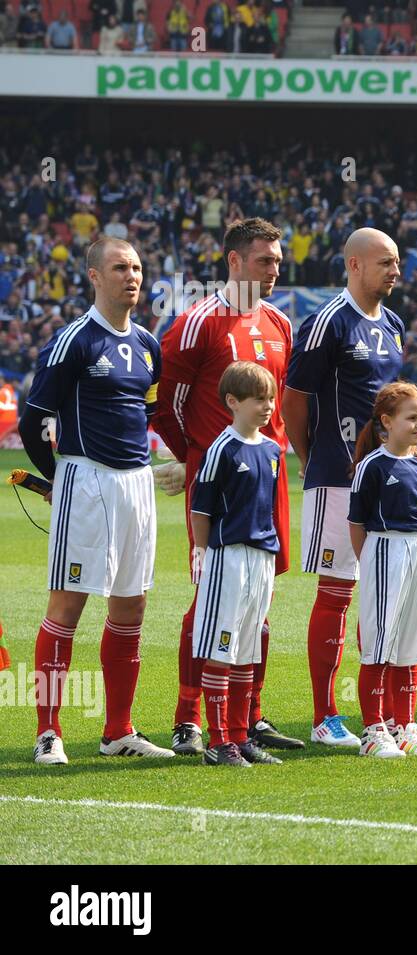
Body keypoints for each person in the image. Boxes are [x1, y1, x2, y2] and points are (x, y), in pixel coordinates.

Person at [22, 238, 173, 765]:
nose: (131, 277)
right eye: (119, 267)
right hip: (86, 481)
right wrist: (60, 478)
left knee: (131, 605)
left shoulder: (150, 346)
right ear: (93, 275)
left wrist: (160, 468)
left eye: (136, 267)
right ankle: (48, 732)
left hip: (136, 485)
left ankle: (118, 732)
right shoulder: (74, 342)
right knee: (68, 605)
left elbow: (147, 414)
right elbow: (31, 419)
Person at [154, 217, 300, 756]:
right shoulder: (199, 323)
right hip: (218, 483)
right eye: (265, 260)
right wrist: (194, 459)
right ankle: (189, 719)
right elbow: (167, 406)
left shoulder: (280, 323)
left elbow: (280, 404)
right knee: (210, 601)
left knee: (258, 600)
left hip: (269, 479)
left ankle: (249, 717)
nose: (274, 269)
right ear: (234, 261)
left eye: (278, 261)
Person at [282, 228, 405, 747]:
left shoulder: (395, 324)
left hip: (387, 477)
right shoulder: (327, 322)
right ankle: (324, 715)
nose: (395, 270)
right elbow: (294, 403)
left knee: (385, 591)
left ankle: (385, 713)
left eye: (397, 261)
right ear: (354, 265)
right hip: (337, 477)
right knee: (336, 593)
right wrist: (316, 460)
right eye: (385, 262)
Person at [190, 362, 284, 767]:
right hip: (228, 556)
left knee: (247, 649)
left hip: (262, 556)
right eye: (258, 399)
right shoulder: (221, 450)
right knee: (222, 647)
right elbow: (201, 508)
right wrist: (203, 552)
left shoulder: (272, 450)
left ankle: (241, 736)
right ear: (233, 402)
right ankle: (217, 740)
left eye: (271, 398)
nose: (267, 406)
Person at [348, 382, 417, 759]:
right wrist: (370, 563)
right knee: (380, 641)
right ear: (387, 421)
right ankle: (373, 730)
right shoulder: (372, 465)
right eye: (412, 418)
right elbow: (357, 523)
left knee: (412, 640)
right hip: (387, 547)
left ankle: (404, 725)